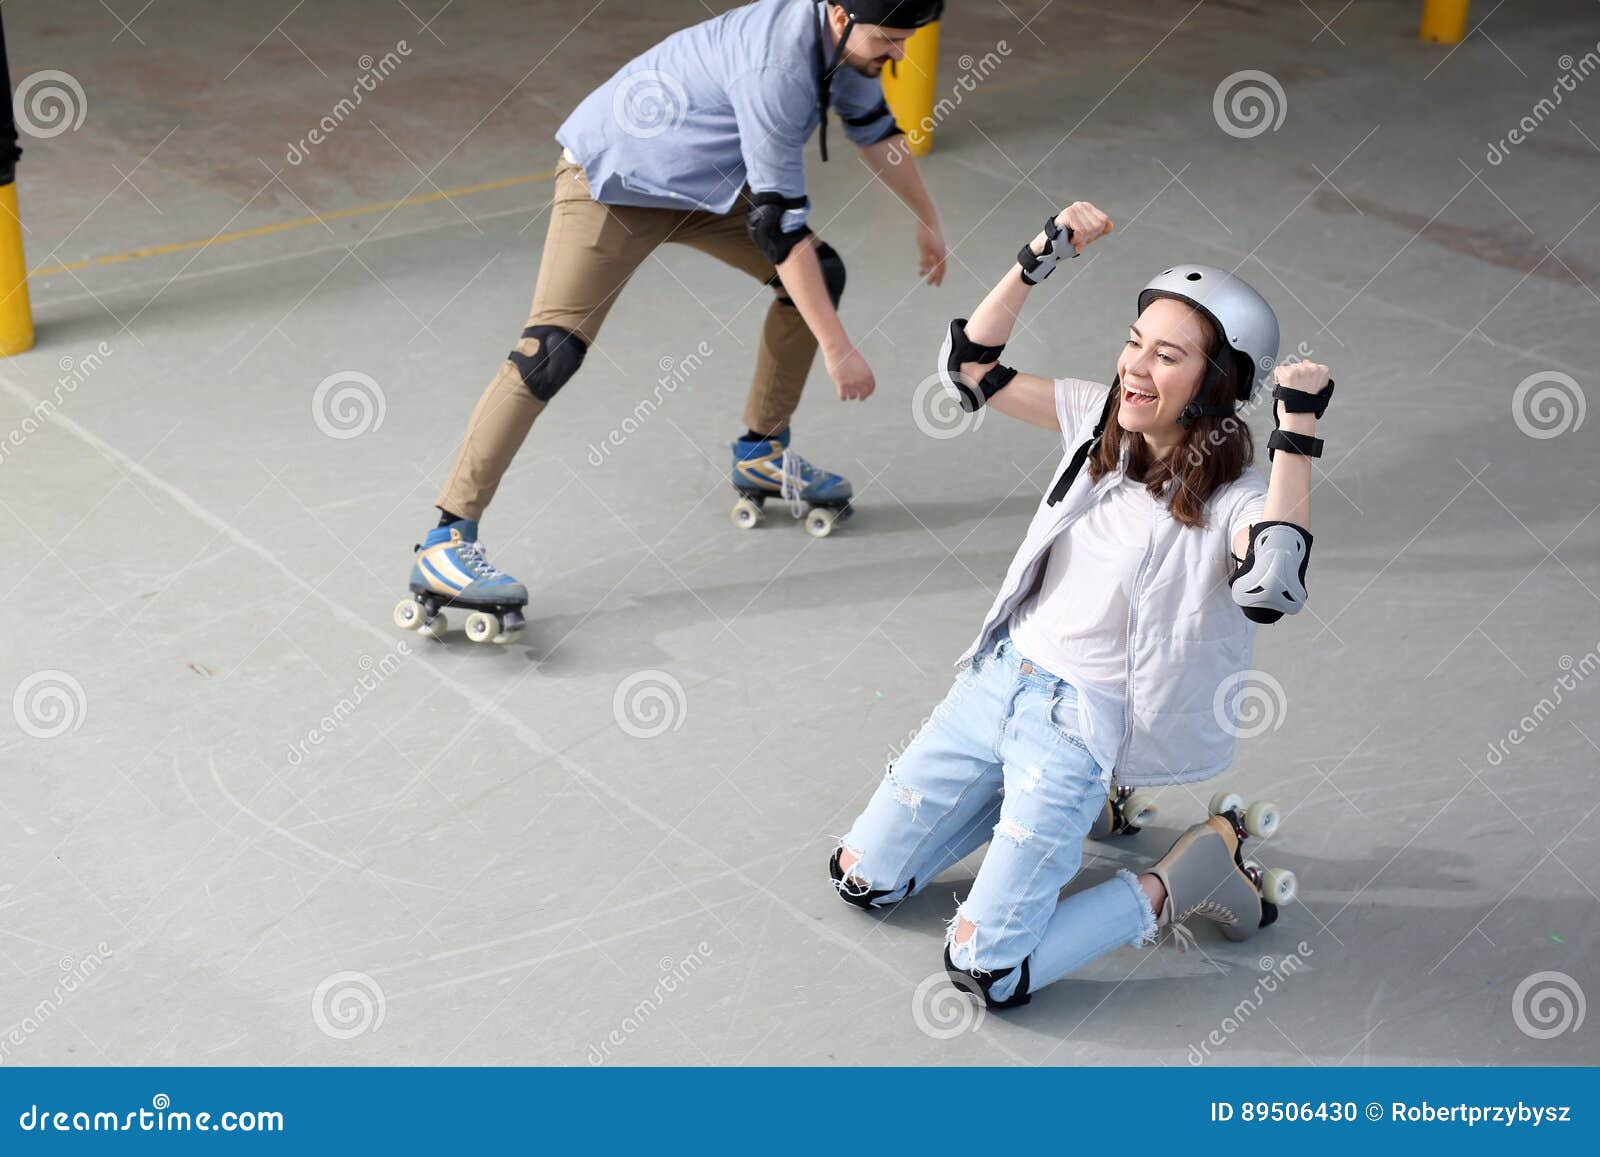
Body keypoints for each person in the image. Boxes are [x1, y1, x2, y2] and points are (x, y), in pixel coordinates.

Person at [828, 200, 1336, 1008]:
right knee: (862, 879)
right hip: (996, 680)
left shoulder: (1236, 497)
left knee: (987, 970)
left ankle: (1180, 877)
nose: (1136, 365)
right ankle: (1066, 809)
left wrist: (1298, 437)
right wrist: (1040, 254)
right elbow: (969, 365)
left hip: (1076, 727)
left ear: (1219, 381)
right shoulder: (1094, 419)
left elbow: (1273, 581)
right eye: (1135, 343)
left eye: (1168, 356)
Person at [399, 0, 948, 638]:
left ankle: (761, 453)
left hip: (702, 185)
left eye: (907, 41)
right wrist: (838, 348)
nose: (900, 54)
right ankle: (446, 540)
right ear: (837, 14)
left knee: (818, 276)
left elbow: (875, 129)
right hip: (616, 179)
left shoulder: (851, 42)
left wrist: (928, 218)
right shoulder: (776, 65)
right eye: (891, 39)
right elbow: (778, 226)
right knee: (549, 351)